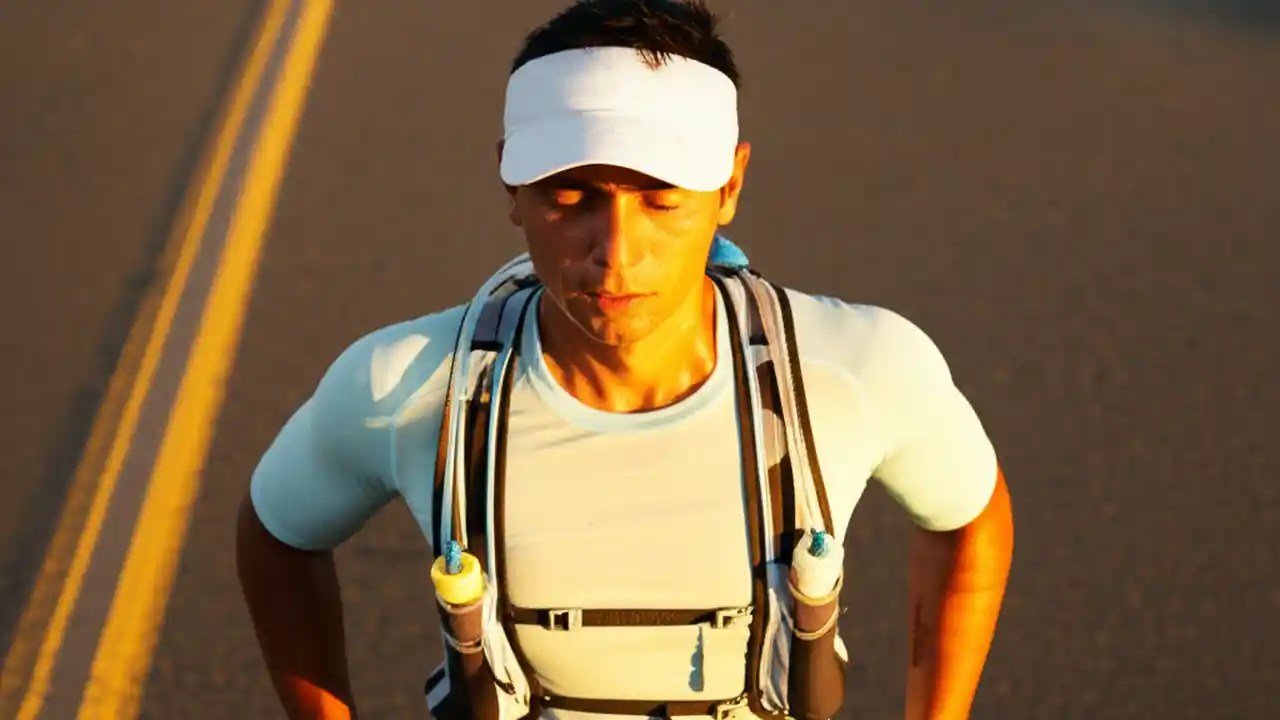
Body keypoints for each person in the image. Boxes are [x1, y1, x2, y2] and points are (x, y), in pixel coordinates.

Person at [235, 1, 1015, 719]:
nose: (616, 254)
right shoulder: (403, 388)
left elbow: (971, 521)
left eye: (662, 199)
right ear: (509, 178)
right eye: (570, 196)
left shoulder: (860, 371)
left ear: (730, 183)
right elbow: (276, 535)